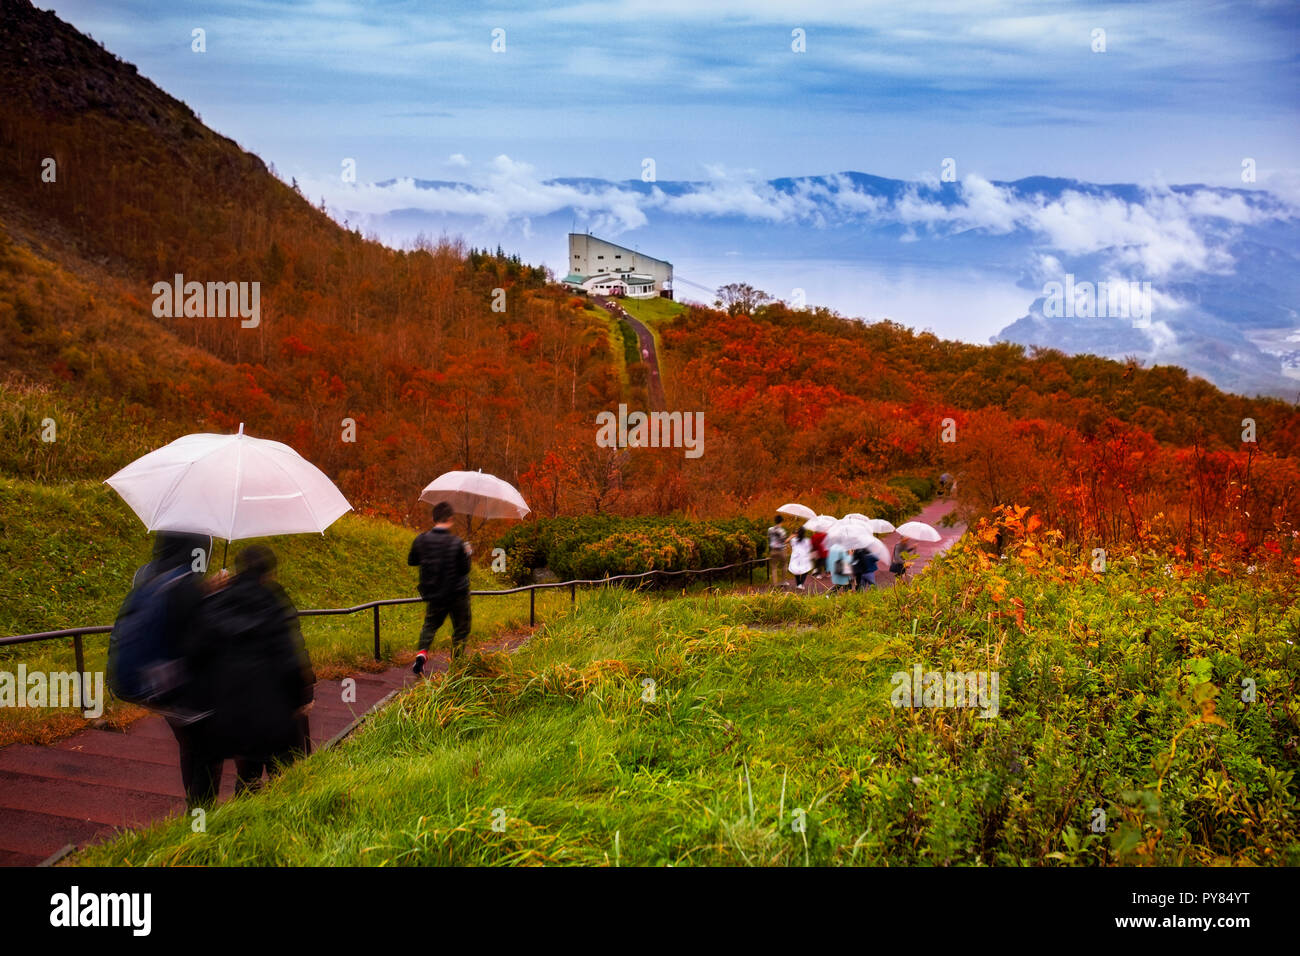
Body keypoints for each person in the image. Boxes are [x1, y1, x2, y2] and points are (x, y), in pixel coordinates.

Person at [197, 545, 315, 796]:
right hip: (274, 709)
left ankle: (244, 822)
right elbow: (289, 657)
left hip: (234, 710)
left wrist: (209, 592)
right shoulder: (272, 599)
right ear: (268, 573)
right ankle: (282, 822)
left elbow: (200, 650)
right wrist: (302, 699)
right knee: (284, 775)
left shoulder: (218, 601)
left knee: (247, 775)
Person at [120, 531, 222, 809]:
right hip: (184, 689)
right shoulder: (186, 585)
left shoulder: (147, 577)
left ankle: (197, 810)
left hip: (153, 684)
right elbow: (199, 644)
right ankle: (201, 820)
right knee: (206, 753)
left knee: (189, 746)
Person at [409, 500, 472, 674]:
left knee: (430, 625)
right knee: (461, 628)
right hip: (457, 594)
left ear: (434, 518)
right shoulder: (457, 542)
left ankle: (422, 654)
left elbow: (412, 561)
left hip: (434, 593)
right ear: (450, 518)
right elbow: (465, 569)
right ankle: (457, 666)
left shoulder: (421, 540)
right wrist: (467, 553)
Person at [767, 515, 789, 586]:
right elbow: (784, 541)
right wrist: (791, 536)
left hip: (773, 550)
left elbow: (769, 538)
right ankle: (783, 581)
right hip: (782, 550)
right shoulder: (782, 531)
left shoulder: (770, 529)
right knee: (784, 565)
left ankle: (775, 583)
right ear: (781, 521)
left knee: (774, 567)